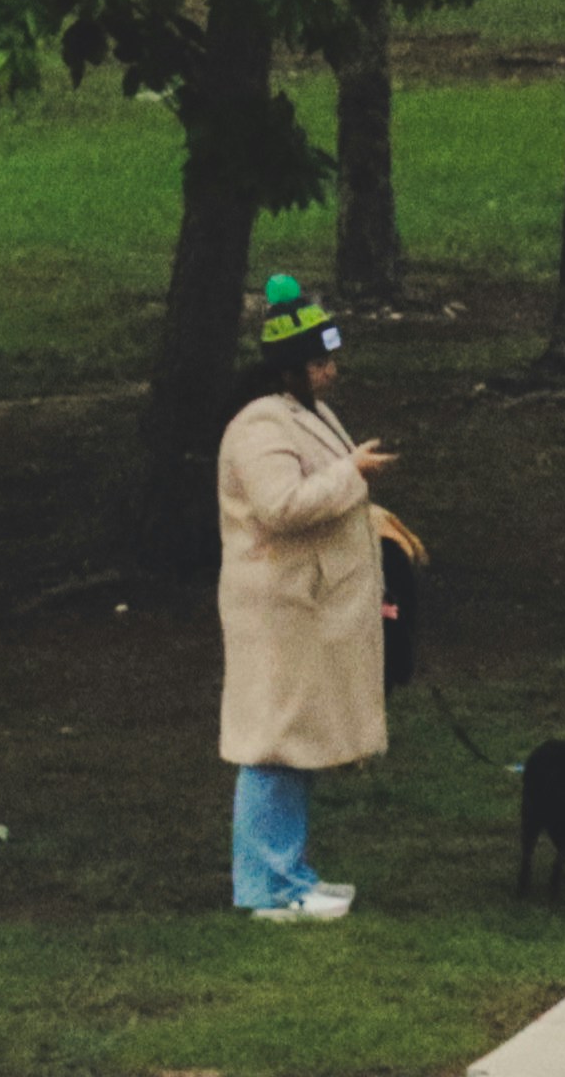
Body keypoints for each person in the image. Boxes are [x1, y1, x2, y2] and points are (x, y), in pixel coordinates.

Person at [214, 271, 400, 923]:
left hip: (303, 606)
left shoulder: (303, 414)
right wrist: (352, 475)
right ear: (290, 367)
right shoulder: (258, 427)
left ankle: (290, 874)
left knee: (293, 744)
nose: (331, 372)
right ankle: (268, 887)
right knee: (272, 744)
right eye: (320, 361)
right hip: (280, 608)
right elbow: (281, 505)